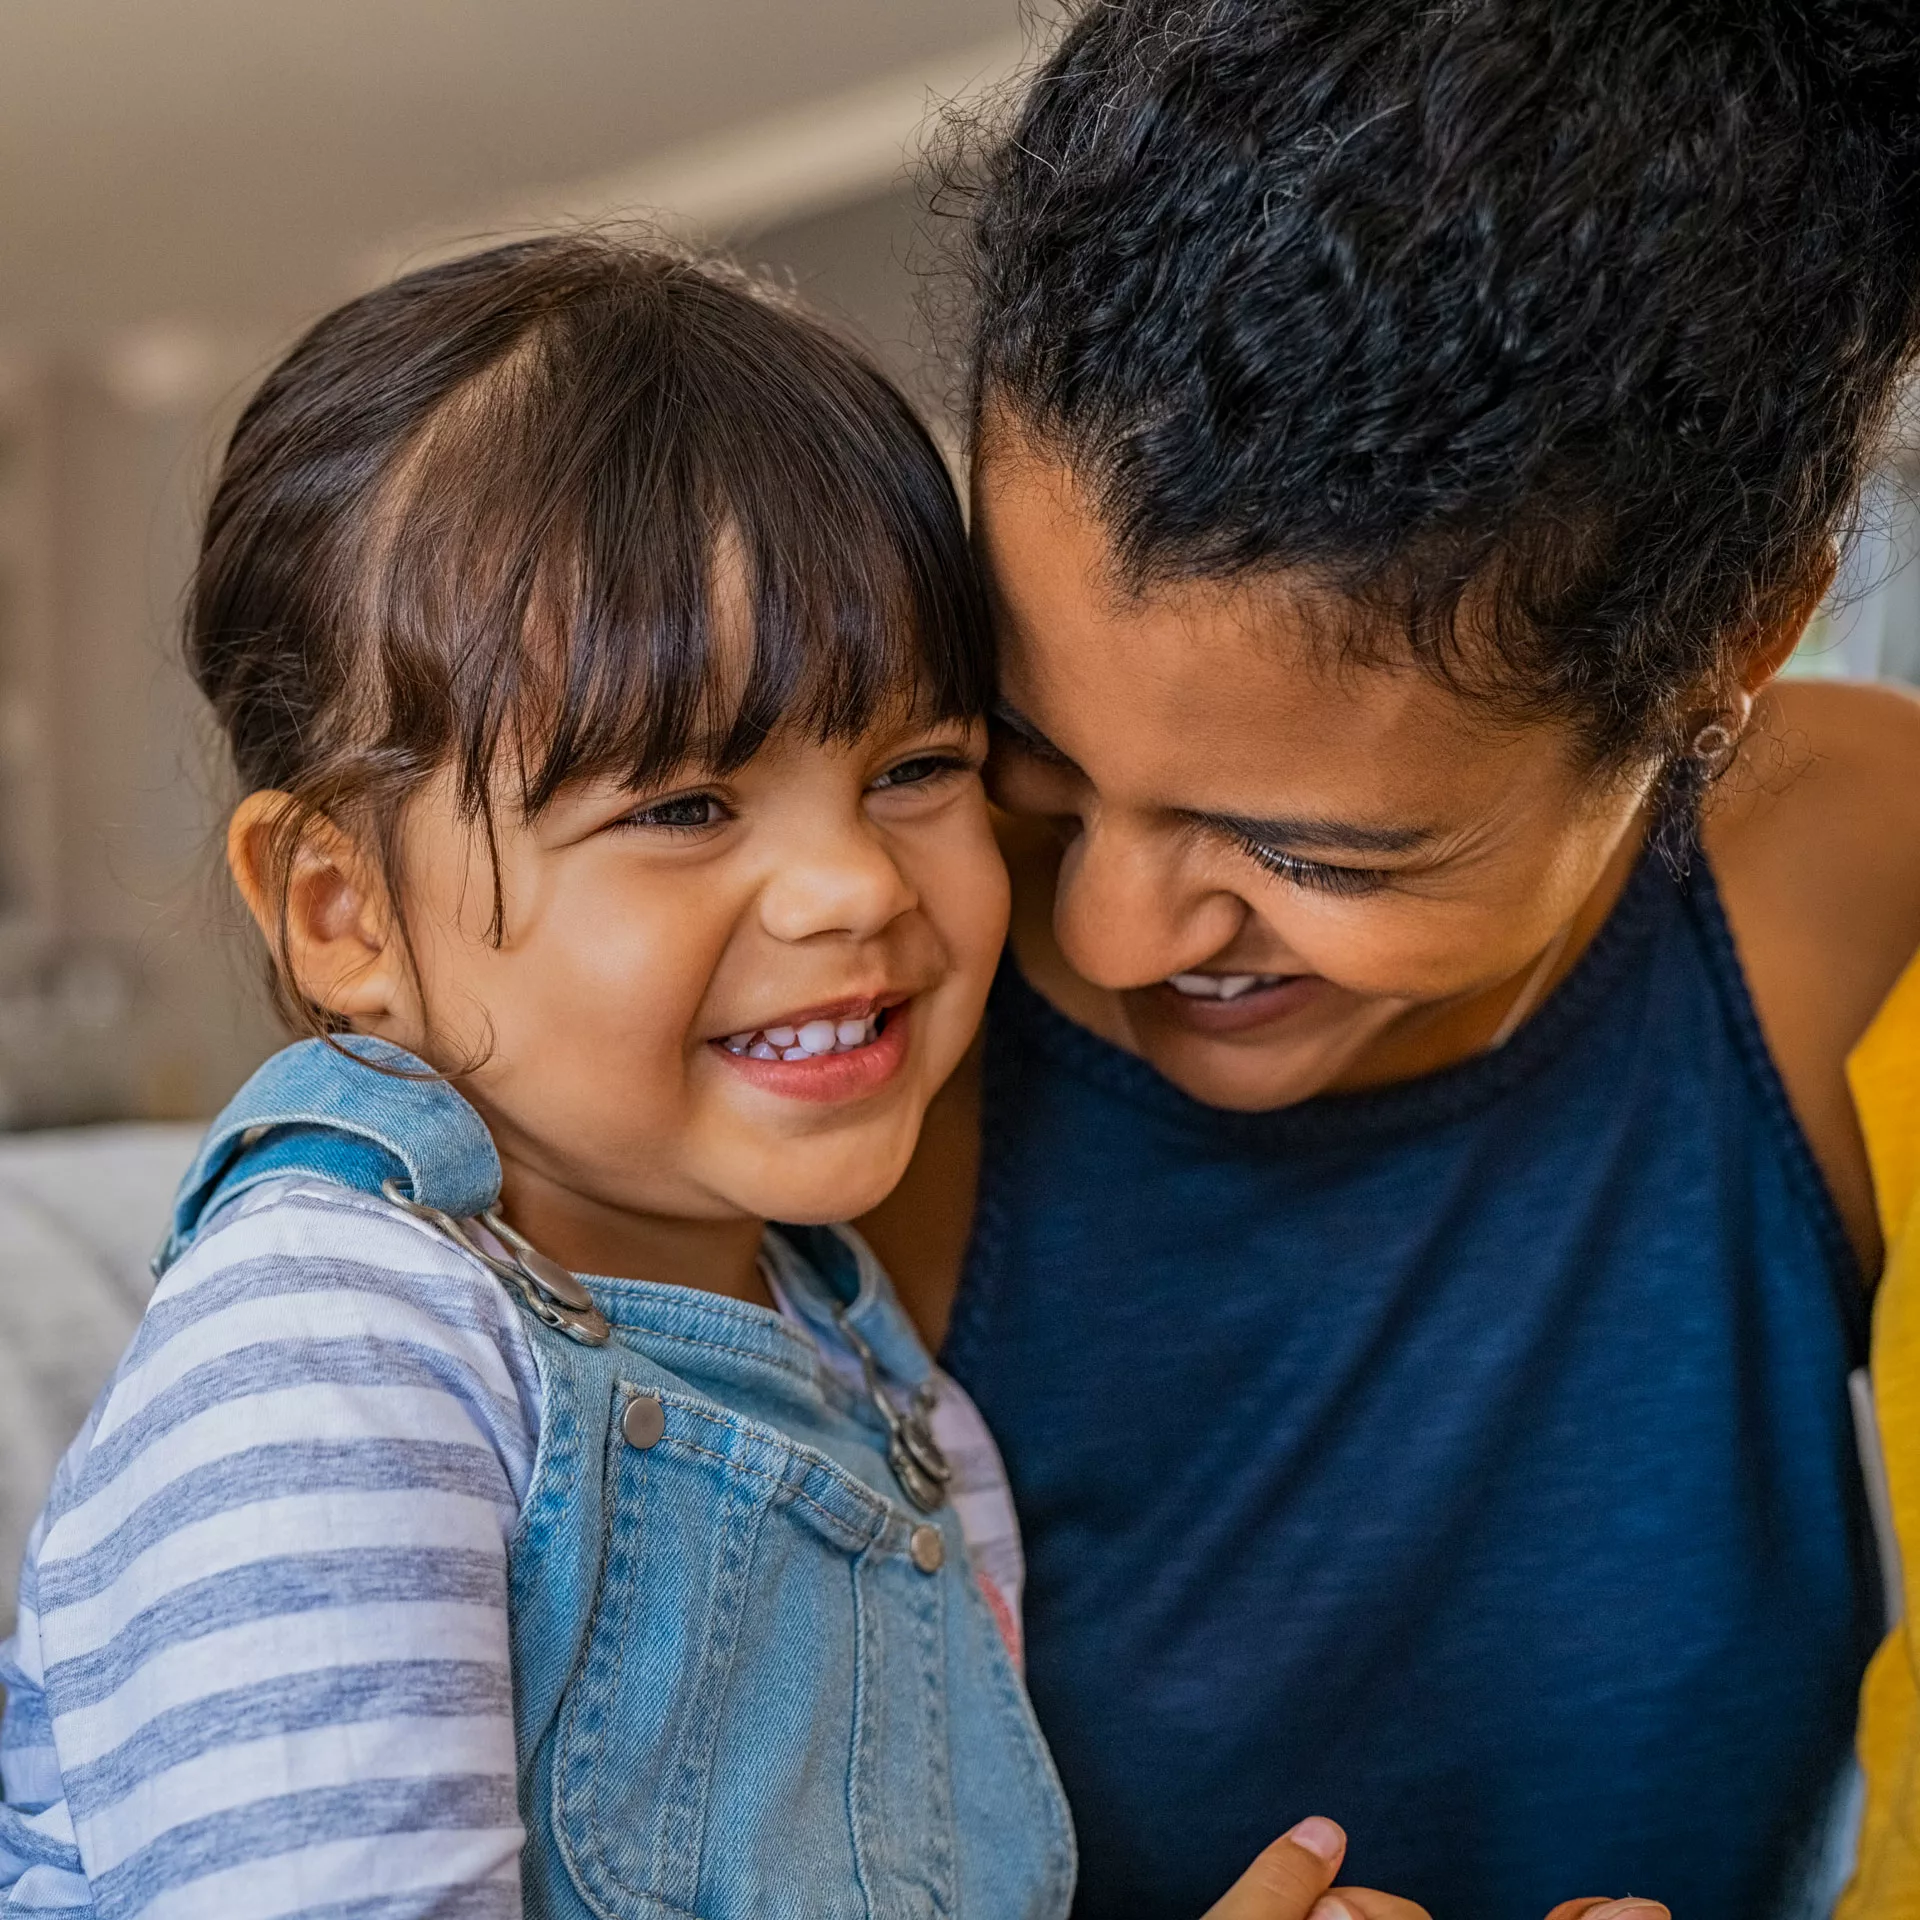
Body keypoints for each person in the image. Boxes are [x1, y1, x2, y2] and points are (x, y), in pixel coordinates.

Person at [0, 235, 1439, 1920]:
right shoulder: (331, 1370)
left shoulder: (882, 1390)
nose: (853, 886)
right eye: (683, 806)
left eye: (918, 766)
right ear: (344, 912)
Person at [859, 2, 1920, 1916]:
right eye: (1028, 754)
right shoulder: (866, 1034)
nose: (1101, 929)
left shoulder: (1858, 900)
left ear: (1731, 655)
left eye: (1307, 852)